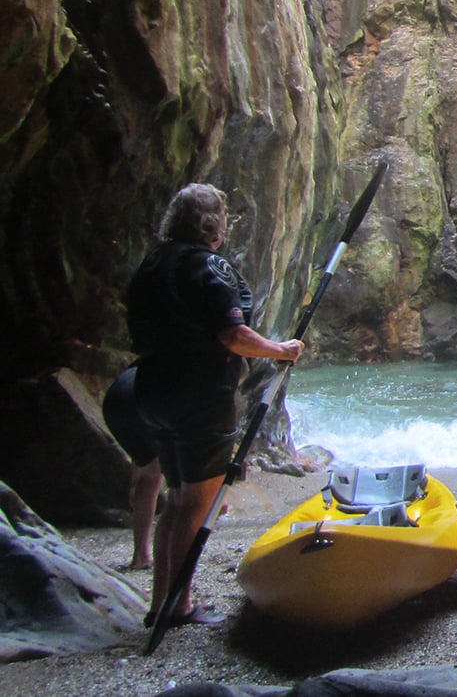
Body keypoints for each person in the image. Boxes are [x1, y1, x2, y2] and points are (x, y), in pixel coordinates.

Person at [127, 183, 305, 628]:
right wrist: (280, 350)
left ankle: (161, 603)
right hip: (198, 393)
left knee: (177, 497)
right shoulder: (208, 265)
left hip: (150, 388)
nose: (226, 225)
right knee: (198, 503)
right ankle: (180, 604)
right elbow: (233, 335)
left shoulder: (152, 263)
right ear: (210, 224)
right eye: (223, 216)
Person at [100, 364, 162, 570]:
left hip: (115, 401)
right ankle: (145, 555)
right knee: (157, 477)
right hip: (144, 401)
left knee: (146, 470)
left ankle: (140, 555)